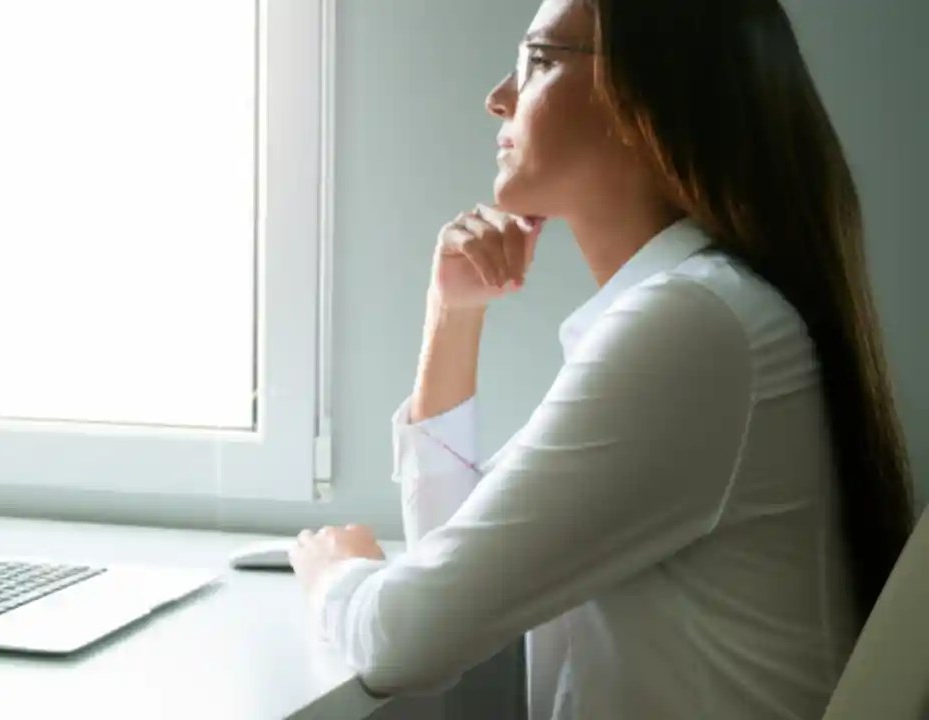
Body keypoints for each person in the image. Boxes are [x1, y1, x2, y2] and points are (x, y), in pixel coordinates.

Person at [286, 0, 916, 717]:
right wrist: (452, 318)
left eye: (542, 60)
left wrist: (335, 576)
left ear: (653, 100)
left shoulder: (693, 329)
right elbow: (462, 571)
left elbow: (409, 639)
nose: (499, 97)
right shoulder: (693, 317)